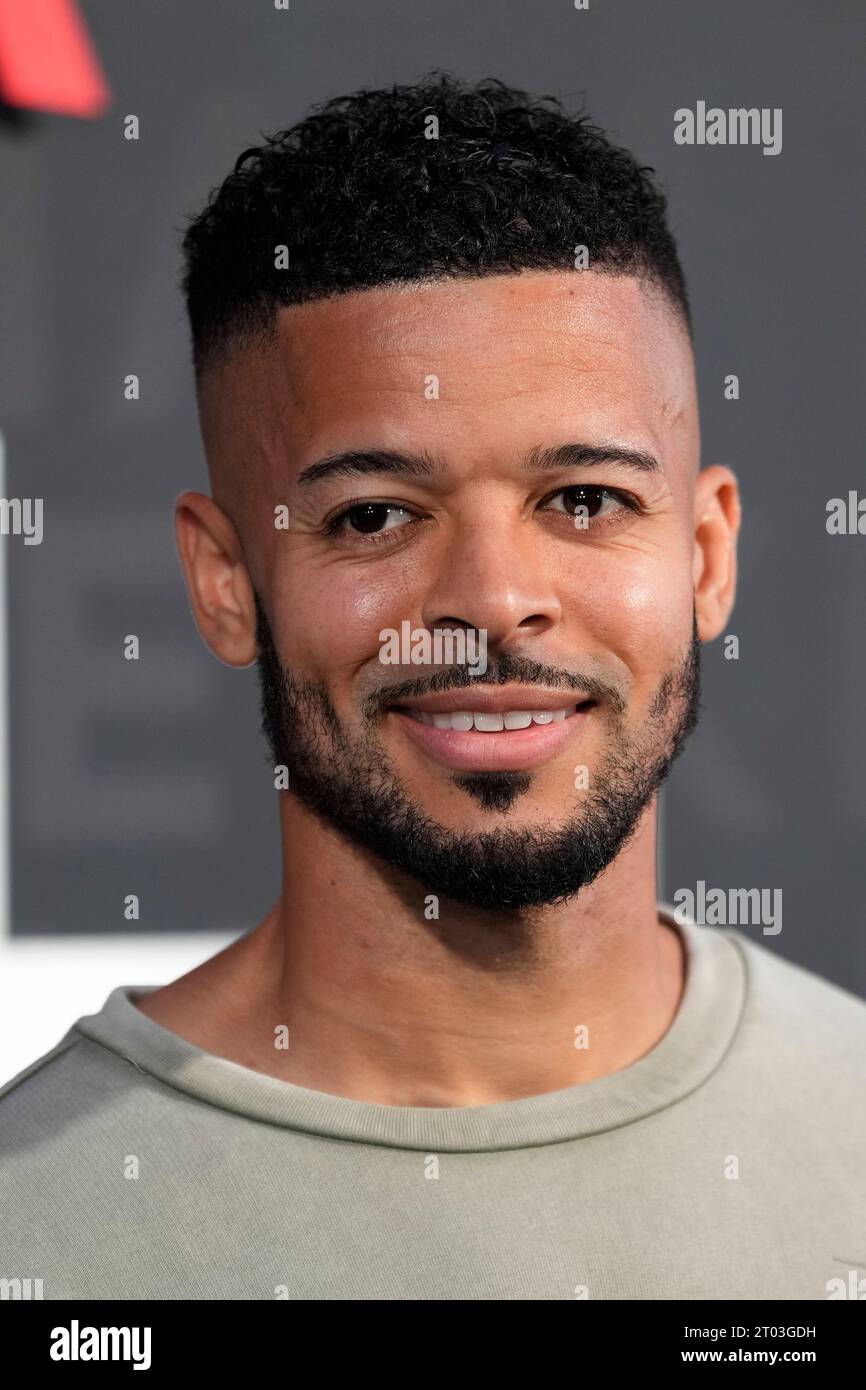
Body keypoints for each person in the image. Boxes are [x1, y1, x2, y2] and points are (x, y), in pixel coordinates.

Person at [1, 73, 863, 1301]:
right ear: (224, 580)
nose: (493, 598)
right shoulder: (34, 1239)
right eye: (373, 517)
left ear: (706, 556)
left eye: (583, 500)